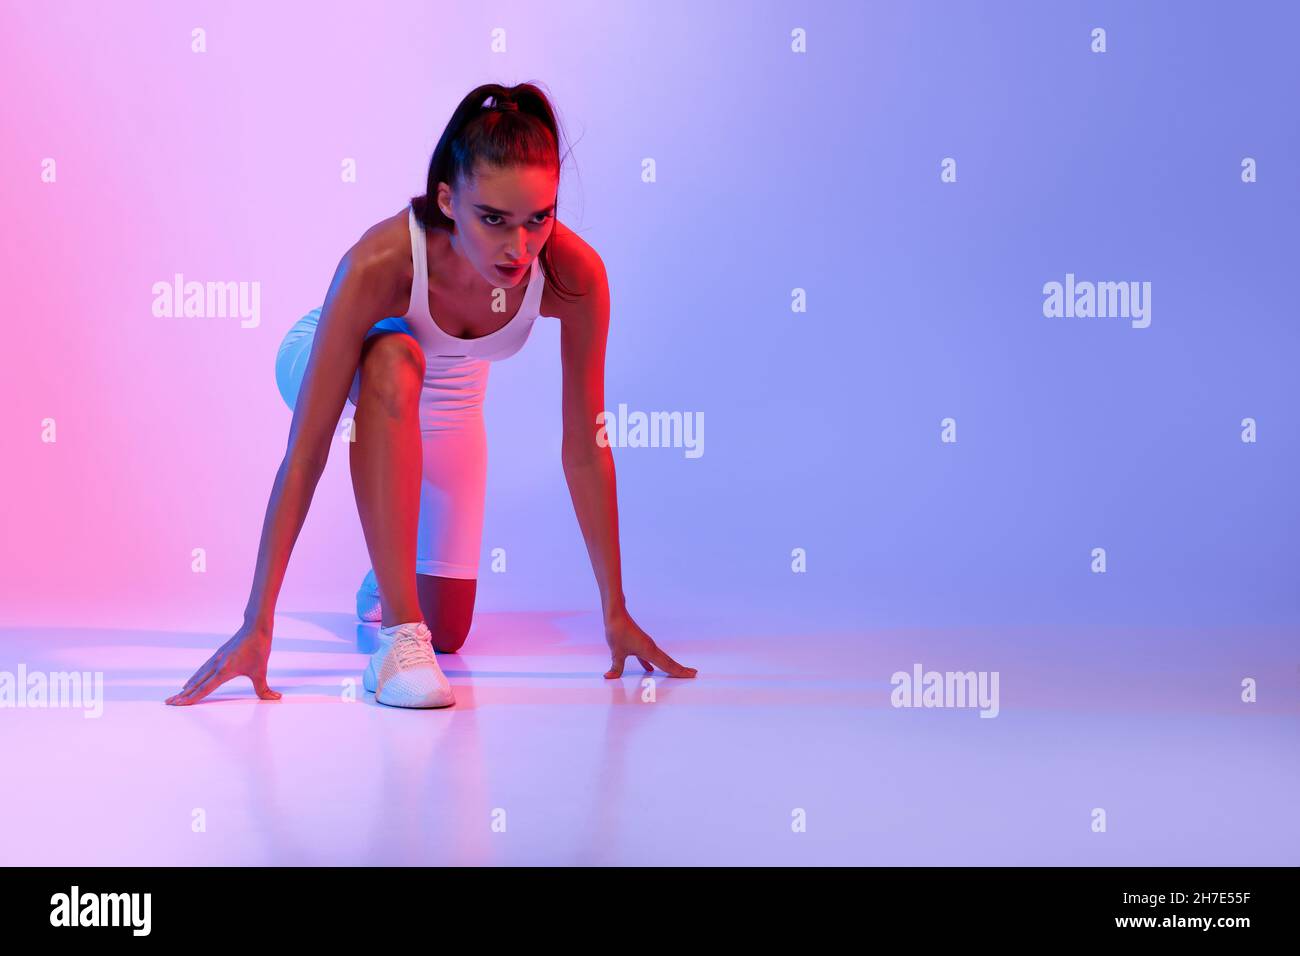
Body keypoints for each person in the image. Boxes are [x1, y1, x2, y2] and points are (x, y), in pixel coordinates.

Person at [166, 83, 697, 708]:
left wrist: (616, 611)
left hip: (452, 399)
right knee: (396, 357)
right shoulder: (380, 263)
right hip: (336, 357)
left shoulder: (574, 275)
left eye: (538, 219)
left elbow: (585, 445)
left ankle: (387, 583)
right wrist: (258, 624)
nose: (518, 248)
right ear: (448, 199)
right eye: (492, 219)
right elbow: (305, 454)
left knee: (447, 629)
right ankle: (396, 641)